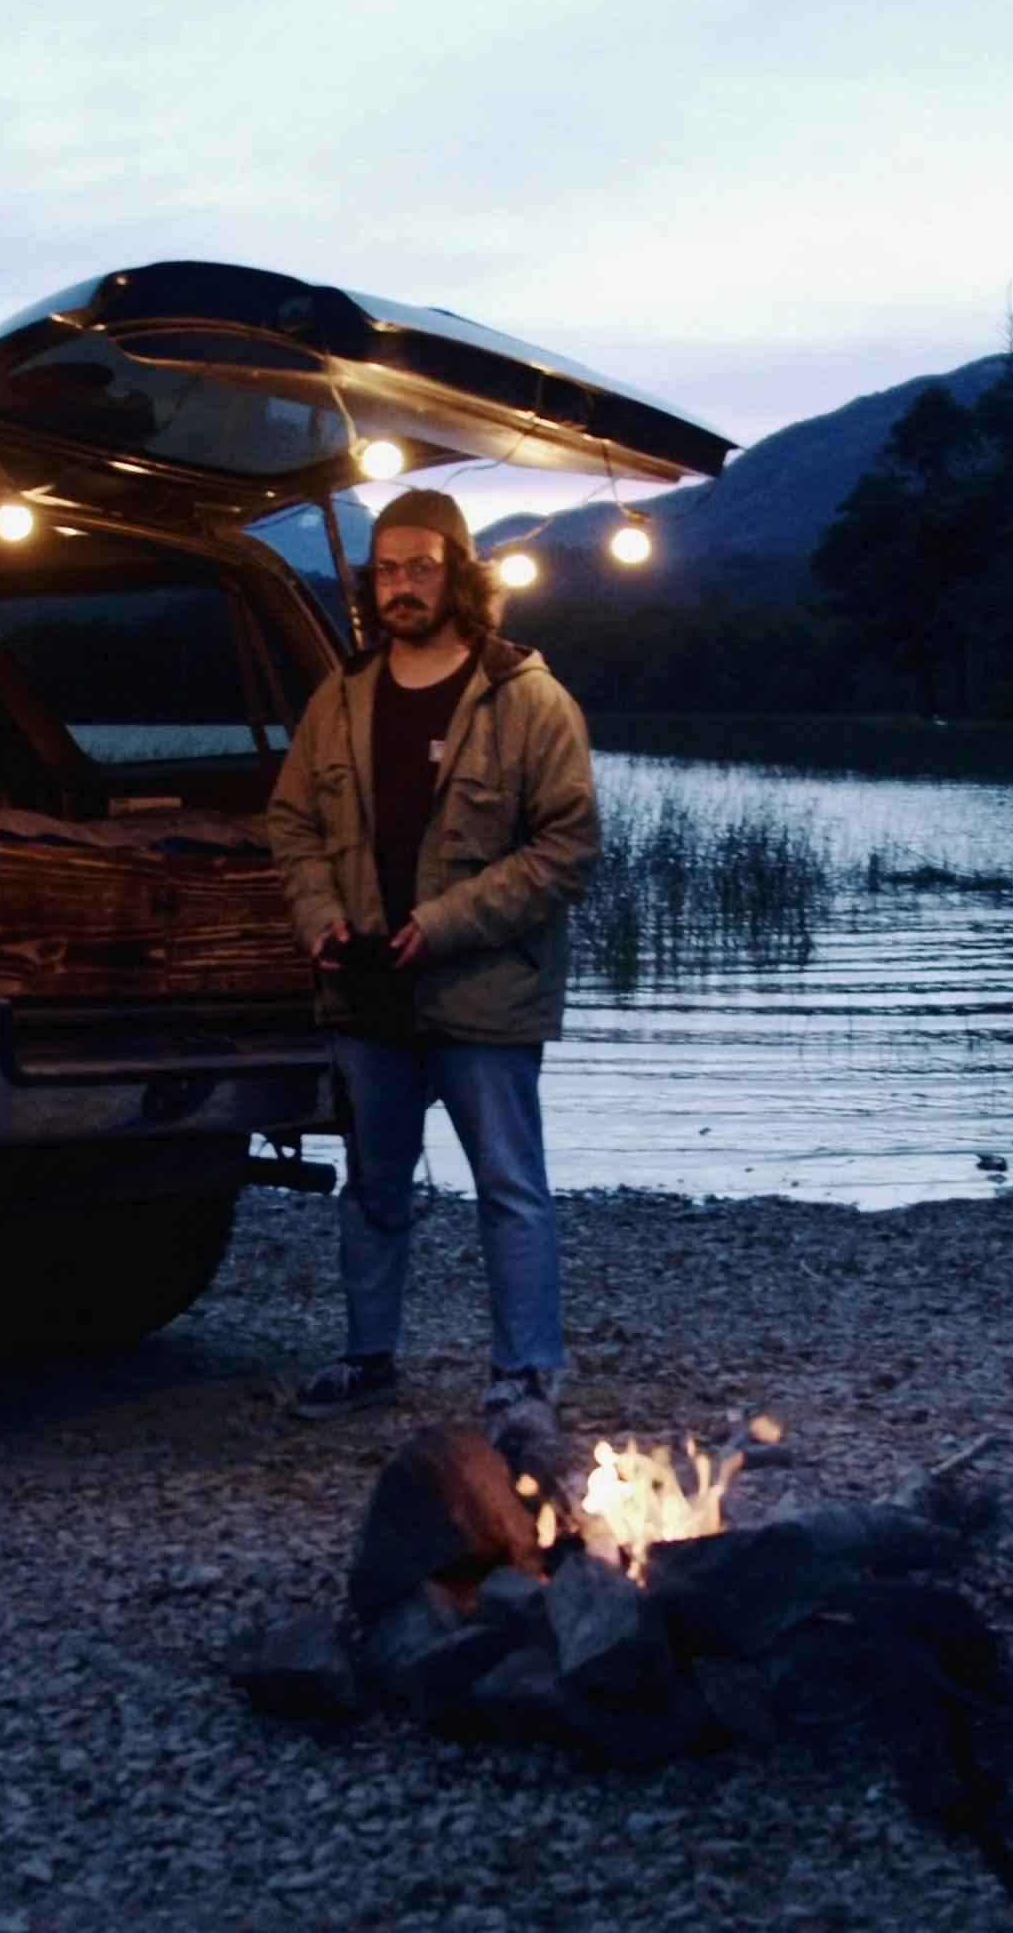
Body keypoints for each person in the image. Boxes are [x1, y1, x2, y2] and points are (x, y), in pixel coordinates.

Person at [265, 487, 599, 1442]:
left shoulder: (528, 697)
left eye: (421, 565)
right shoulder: (342, 696)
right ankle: (369, 1358)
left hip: (483, 991)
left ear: (460, 571)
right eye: (386, 569)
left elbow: (567, 847)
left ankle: (526, 1373)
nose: (402, 585)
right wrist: (320, 915)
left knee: (509, 1182)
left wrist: (444, 924)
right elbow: (291, 825)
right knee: (375, 1185)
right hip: (365, 987)